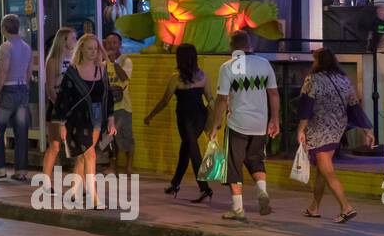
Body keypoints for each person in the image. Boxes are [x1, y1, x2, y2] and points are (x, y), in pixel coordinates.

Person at [207, 30, 279, 221]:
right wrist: (275, 120)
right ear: (250, 45)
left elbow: (222, 99)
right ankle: (262, 192)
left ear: (231, 47)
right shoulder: (264, 64)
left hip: (238, 124)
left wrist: (215, 124)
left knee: (234, 166)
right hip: (260, 123)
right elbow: (274, 94)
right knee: (256, 160)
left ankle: (238, 209)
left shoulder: (228, 67)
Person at [297, 48, 374, 223]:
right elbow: (354, 106)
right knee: (322, 171)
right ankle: (314, 207)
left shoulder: (313, 79)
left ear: (318, 61)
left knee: (328, 171)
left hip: (318, 129)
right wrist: (367, 130)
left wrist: (300, 130)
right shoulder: (344, 80)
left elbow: (306, 107)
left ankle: (346, 207)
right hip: (337, 129)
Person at [144, 43, 214, 202]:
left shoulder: (175, 79)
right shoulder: (202, 75)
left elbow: (164, 101)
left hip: (185, 118)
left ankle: (205, 188)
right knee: (187, 149)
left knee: (192, 149)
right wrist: (216, 117)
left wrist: (151, 115)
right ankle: (175, 184)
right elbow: (210, 98)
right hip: (200, 116)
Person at [55, 33, 115, 206]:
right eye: (89, 48)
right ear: (81, 48)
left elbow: (108, 96)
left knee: (83, 155)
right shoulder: (73, 72)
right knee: (90, 154)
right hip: (77, 119)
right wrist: (62, 123)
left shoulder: (101, 70)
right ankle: (93, 196)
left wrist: (110, 119)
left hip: (97, 118)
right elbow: (63, 99)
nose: (93, 52)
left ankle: (74, 190)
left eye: (95, 49)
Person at [0, 14, 33, 181]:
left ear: (3, 28)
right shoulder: (26, 47)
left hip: (8, 90)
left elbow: (2, 70)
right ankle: (21, 170)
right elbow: (29, 72)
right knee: (21, 132)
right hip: (23, 89)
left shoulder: (5, 47)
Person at [39, 26, 76, 187]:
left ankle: (77, 181)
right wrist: (59, 106)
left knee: (76, 145)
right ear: (64, 40)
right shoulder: (54, 60)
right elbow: (50, 87)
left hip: (74, 104)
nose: (75, 41)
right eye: (73, 38)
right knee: (54, 144)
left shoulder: (76, 59)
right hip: (58, 104)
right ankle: (46, 180)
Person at [103, 33, 135, 177]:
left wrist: (114, 63)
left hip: (123, 106)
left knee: (125, 136)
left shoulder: (125, 61)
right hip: (108, 106)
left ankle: (129, 165)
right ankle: (112, 166)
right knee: (110, 139)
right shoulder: (102, 63)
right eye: (109, 43)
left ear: (120, 45)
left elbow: (124, 78)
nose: (111, 46)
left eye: (114, 43)